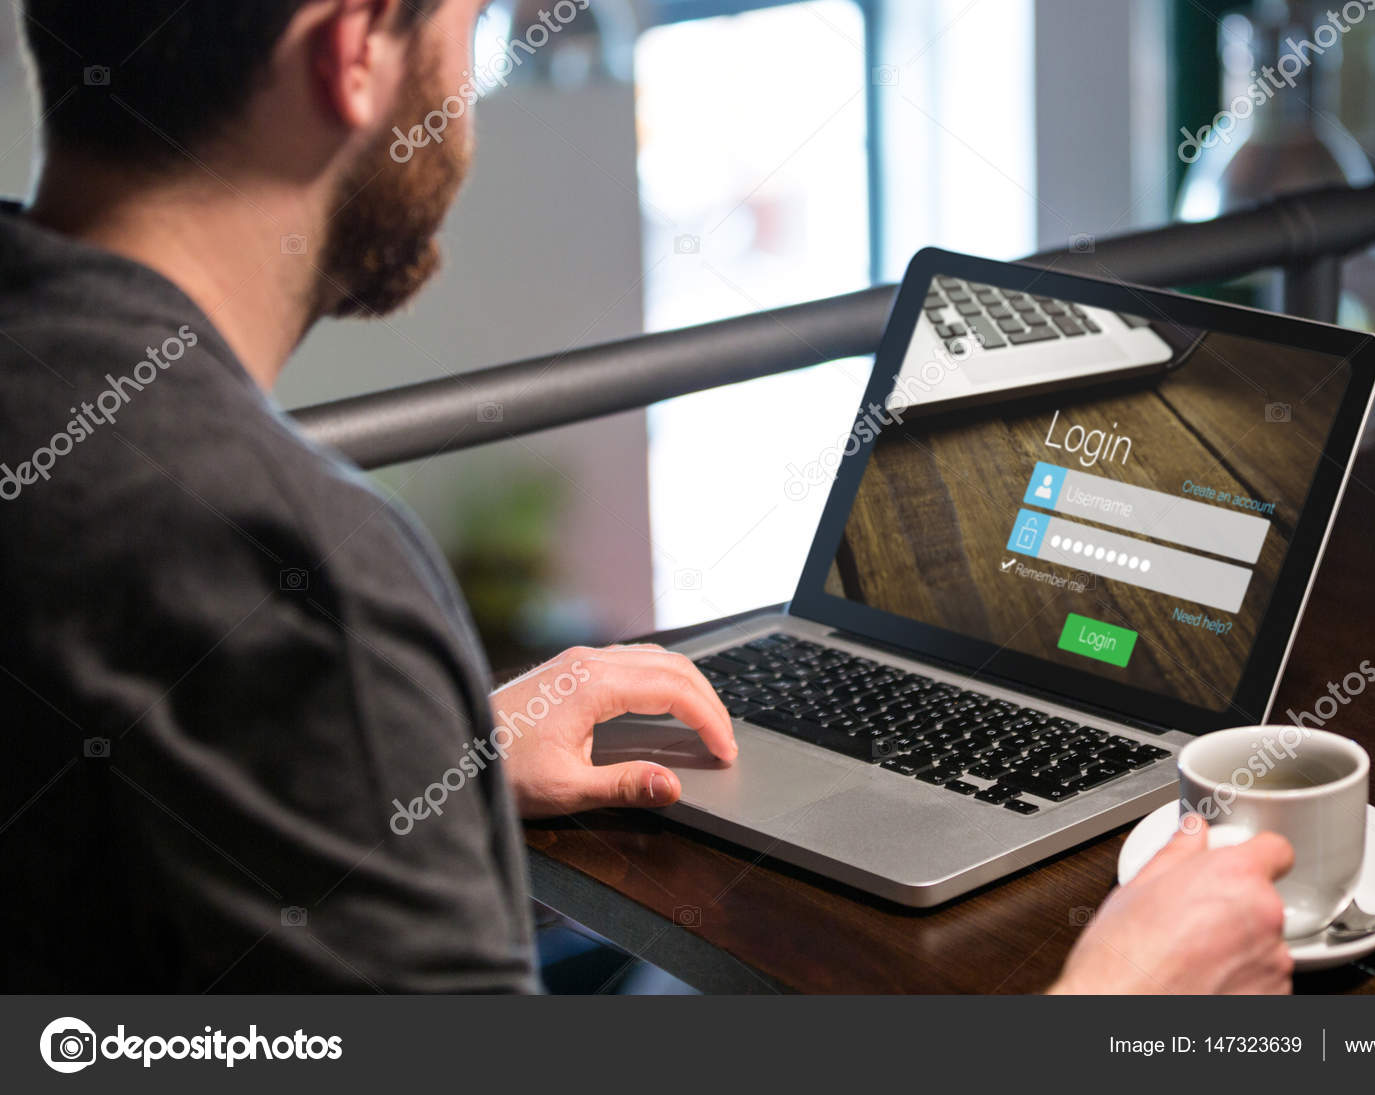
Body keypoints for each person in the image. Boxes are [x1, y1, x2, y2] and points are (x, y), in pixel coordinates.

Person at [0, 0, 1295, 994]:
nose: (472, 91)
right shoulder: (296, 574)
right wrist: (1117, 998)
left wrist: (425, 763)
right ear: (355, 54)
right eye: (473, 26)